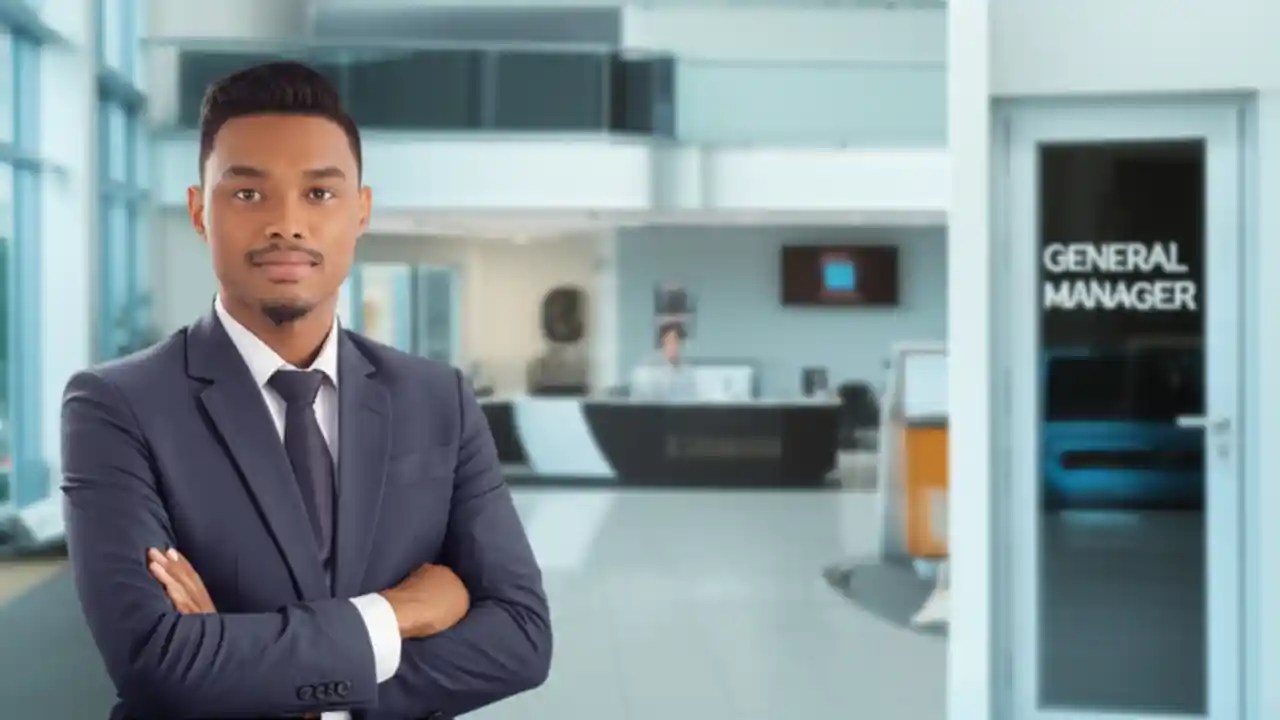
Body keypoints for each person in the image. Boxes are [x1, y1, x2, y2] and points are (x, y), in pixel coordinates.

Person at [61, 62, 551, 720]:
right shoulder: (116, 406)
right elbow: (157, 661)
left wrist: (251, 675)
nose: (286, 224)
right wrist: (392, 615)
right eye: (248, 194)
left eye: (319, 195)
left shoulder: (438, 400)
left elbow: (521, 637)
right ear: (199, 211)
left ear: (361, 212)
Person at [631, 321, 699, 400]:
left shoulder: (686, 367)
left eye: (679, 342)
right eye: (671, 341)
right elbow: (642, 396)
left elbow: (691, 395)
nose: (675, 345)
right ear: (663, 341)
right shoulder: (648, 364)